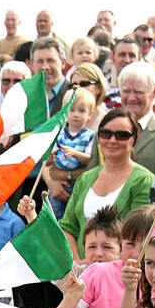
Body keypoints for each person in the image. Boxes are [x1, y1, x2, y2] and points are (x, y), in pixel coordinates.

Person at [55, 108, 153, 255]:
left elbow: (137, 234)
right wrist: (79, 263)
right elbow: (68, 226)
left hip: (119, 272)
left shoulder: (144, 180)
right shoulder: (85, 178)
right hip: (81, 272)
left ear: (134, 139)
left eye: (122, 135)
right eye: (106, 134)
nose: (112, 140)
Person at [52, 206, 140, 308]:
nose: (98, 253)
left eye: (107, 247)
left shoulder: (142, 279)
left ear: (122, 249)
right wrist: (31, 215)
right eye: (92, 247)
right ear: (84, 249)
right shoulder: (79, 273)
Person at [44, 87, 96, 218]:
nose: (76, 114)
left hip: (78, 183)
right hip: (57, 180)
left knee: (75, 213)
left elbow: (89, 159)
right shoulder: (58, 133)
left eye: (82, 111)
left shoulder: (90, 136)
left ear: (90, 114)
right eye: (71, 110)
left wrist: (75, 153)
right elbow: (50, 158)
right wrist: (50, 159)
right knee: (54, 213)